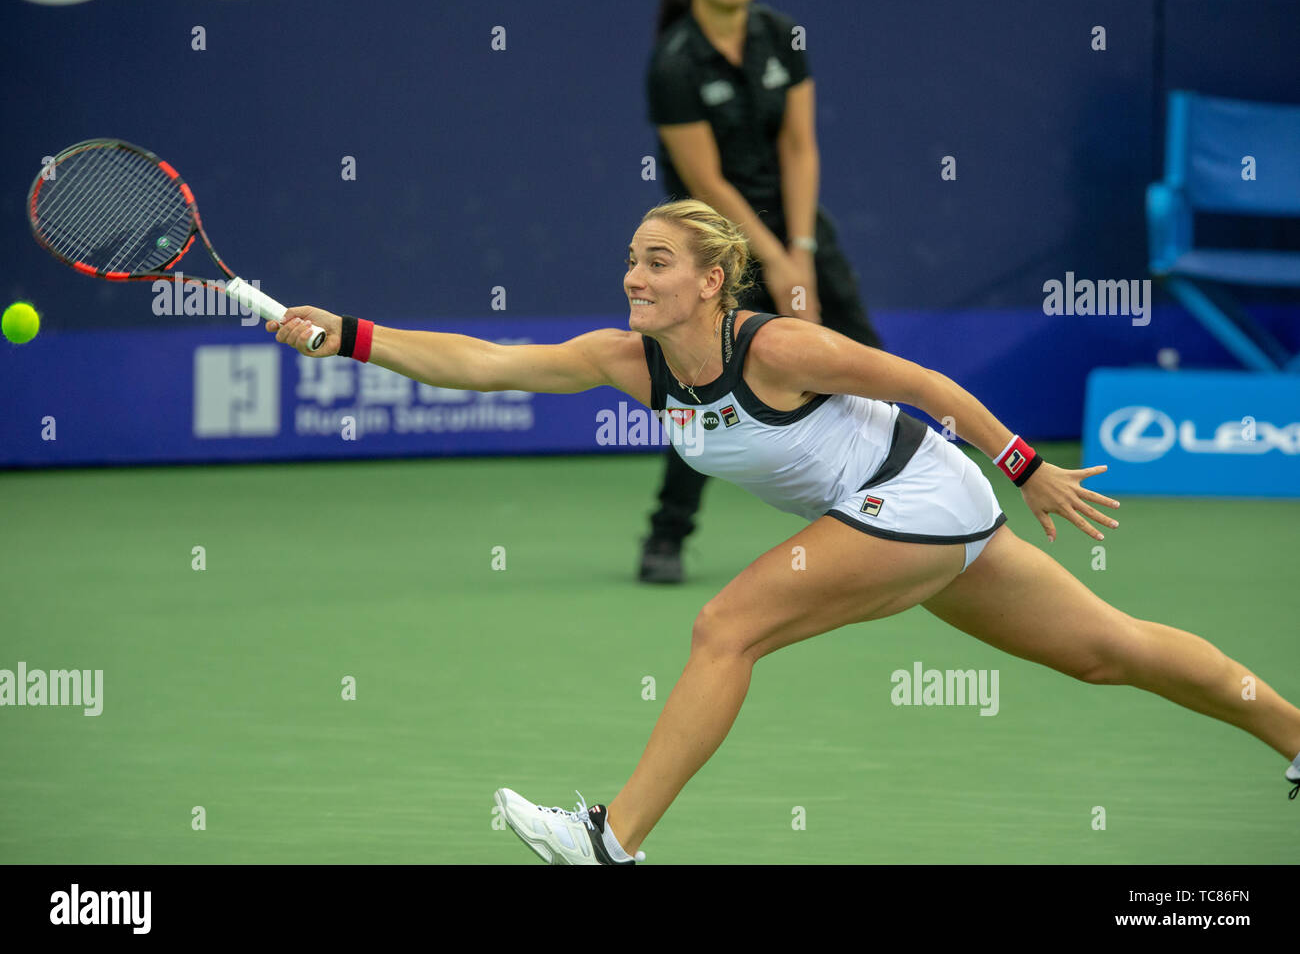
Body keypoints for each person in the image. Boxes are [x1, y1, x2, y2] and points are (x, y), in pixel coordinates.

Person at [267, 200, 1300, 865]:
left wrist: (1024, 464)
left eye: (658, 261)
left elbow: (925, 383)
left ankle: (609, 843)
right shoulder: (626, 357)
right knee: (1106, 652)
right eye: (630, 256)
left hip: (920, 493)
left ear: (711, 281)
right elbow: (483, 362)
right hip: (898, 516)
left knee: (727, 624)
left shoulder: (780, 346)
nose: (634, 274)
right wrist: (352, 336)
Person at [639, 0, 886, 583]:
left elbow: (800, 146)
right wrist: (770, 260)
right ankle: (667, 533)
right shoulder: (673, 65)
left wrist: (800, 249)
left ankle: (897, 509)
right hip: (714, 242)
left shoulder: (783, 36)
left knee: (863, 358)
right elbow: (705, 181)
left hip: (796, 229)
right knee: (705, 383)